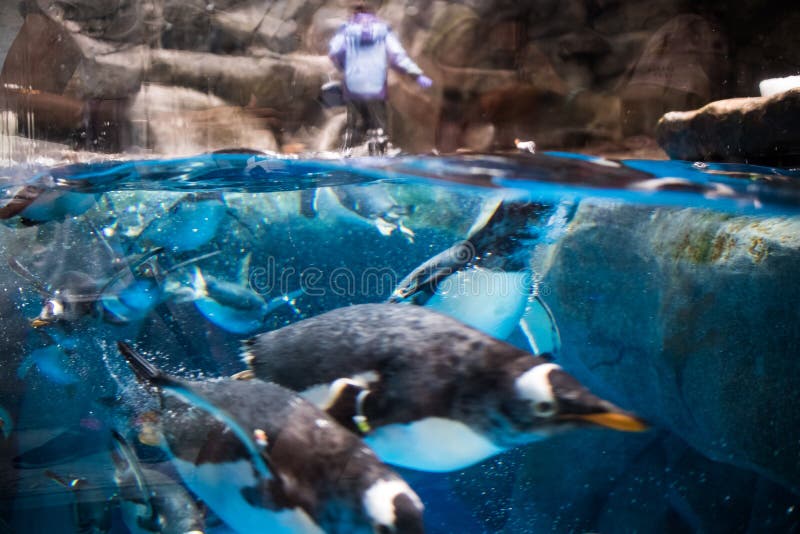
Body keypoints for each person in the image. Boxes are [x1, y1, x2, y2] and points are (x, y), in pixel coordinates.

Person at [328, 0, 432, 155]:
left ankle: (349, 157)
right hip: (376, 88)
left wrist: (345, 67)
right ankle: (379, 158)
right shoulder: (384, 31)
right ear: (373, 12)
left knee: (354, 128)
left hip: (353, 87)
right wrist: (417, 75)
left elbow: (335, 52)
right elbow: (398, 57)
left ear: (352, 13)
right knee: (378, 129)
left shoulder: (345, 30)